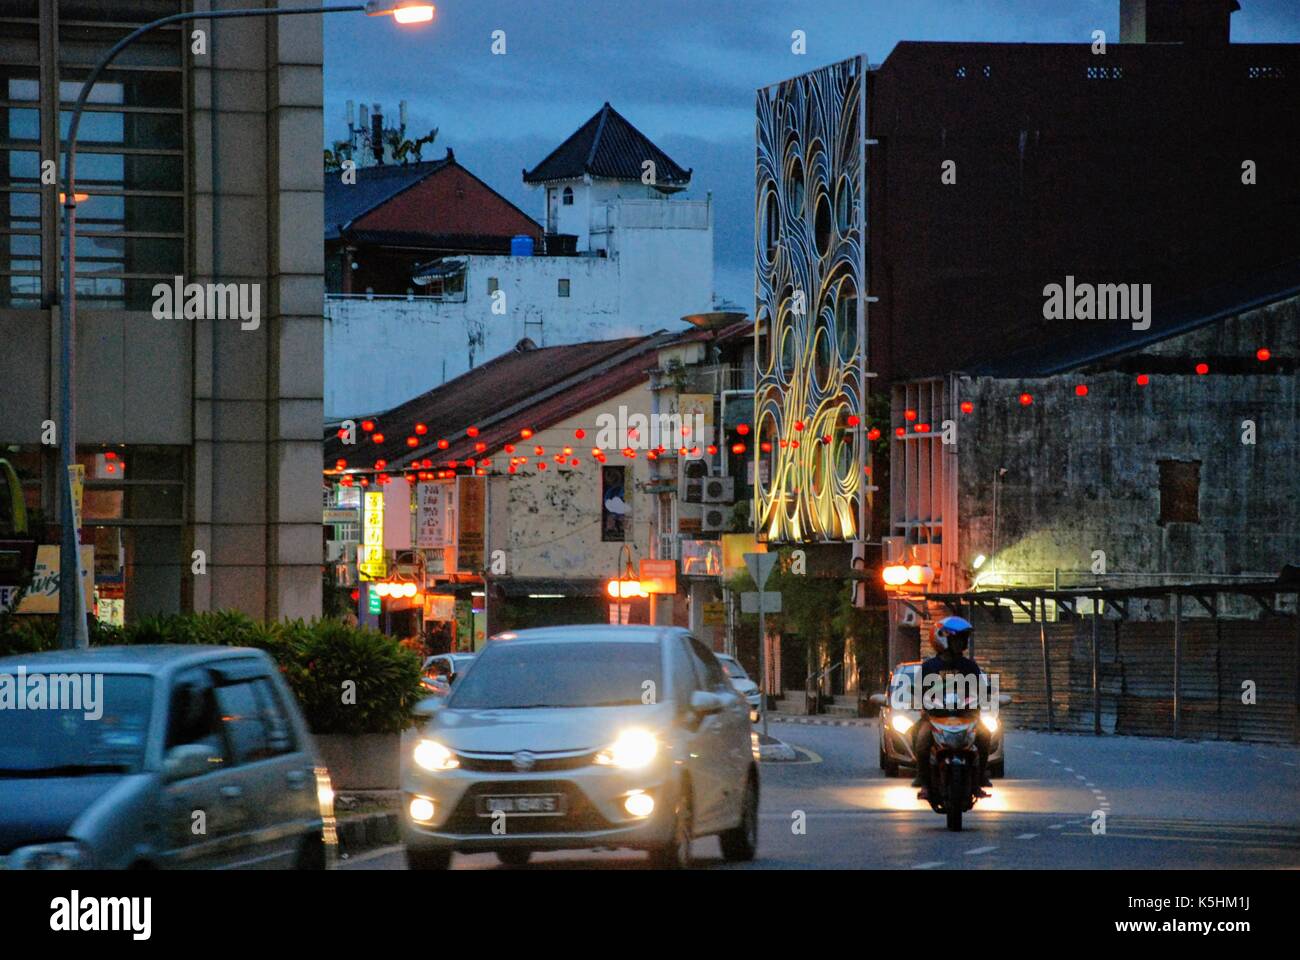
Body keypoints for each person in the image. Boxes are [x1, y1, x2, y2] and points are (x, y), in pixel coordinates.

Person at [911, 616, 992, 800]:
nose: (961, 643)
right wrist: (920, 704)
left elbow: (981, 689)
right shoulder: (929, 667)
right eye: (956, 639)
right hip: (936, 717)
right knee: (921, 739)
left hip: (966, 717)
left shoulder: (969, 666)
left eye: (962, 639)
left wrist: (986, 697)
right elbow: (917, 691)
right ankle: (923, 782)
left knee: (985, 736)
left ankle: (979, 780)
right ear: (942, 639)